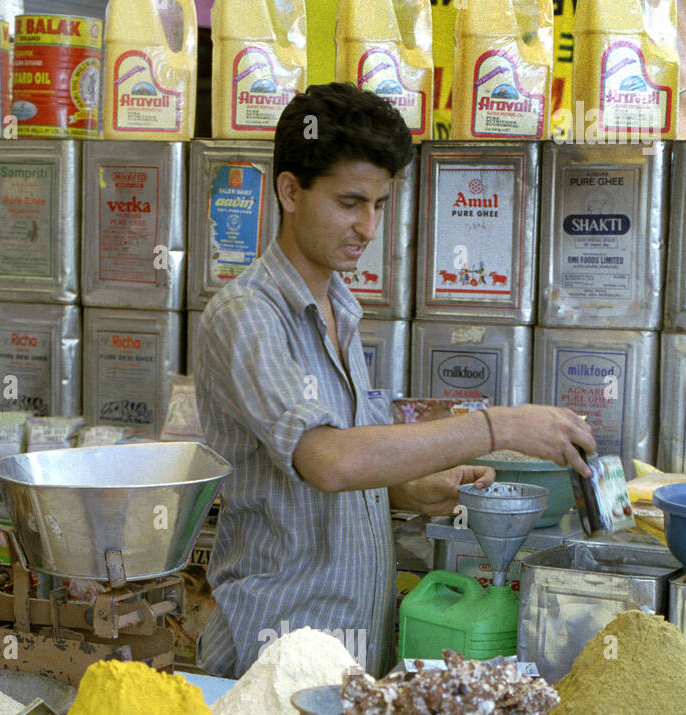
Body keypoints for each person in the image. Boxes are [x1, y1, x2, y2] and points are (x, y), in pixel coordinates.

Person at [193, 82, 596, 678]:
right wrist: (494, 427)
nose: (368, 227)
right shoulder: (248, 315)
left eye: (379, 205)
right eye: (350, 202)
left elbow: (335, 474)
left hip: (352, 644)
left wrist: (408, 488)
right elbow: (327, 460)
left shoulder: (340, 309)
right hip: (275, 647)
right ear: (289, 192)